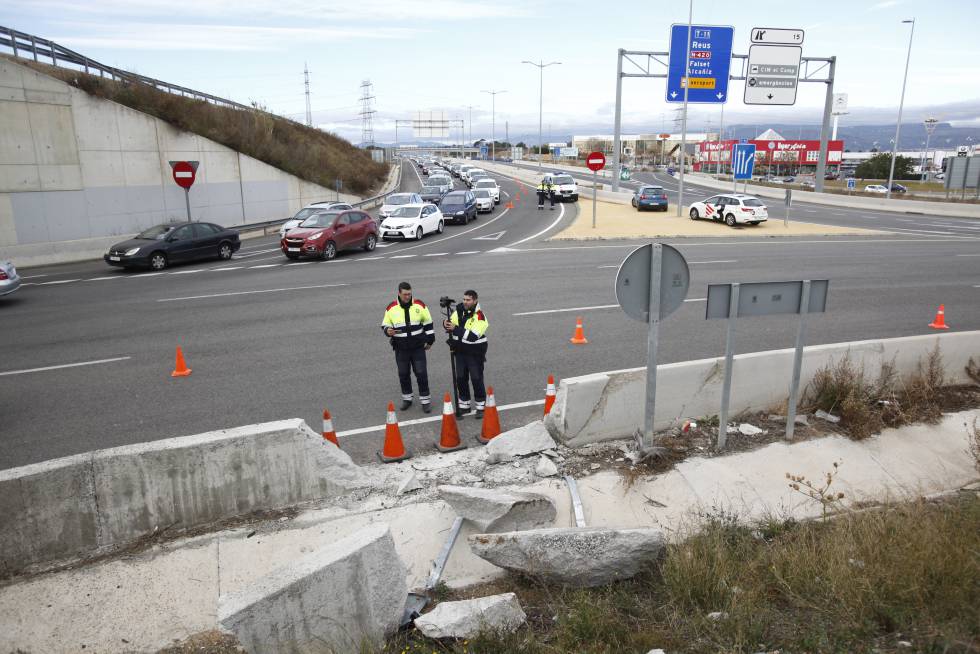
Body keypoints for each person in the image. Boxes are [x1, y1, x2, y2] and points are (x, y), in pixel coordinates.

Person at [381, 281, 435, 413]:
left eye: (409, 294)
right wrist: (387, 330)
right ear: (399, 293)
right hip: (401, 348)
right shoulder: (391, 307)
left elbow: (428, 323)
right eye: (405, 294)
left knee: (421, 373)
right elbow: (385, 324)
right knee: (403, 374)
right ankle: (407, 399)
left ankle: (425, 401)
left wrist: (430, 341)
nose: (407, 297)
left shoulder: (420, 305)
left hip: (417, 347)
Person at [443, 290, 488, 419]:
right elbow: (451, 324)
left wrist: (455, 329)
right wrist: (445, 324)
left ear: (475, 300)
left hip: (475, 351)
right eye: (464, 299)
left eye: (468, 300)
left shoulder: (480, 317)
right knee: (461, 378)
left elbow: (473, 336)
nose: (465, 302)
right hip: (460, 350)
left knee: (476, 378)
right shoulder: (459, 312)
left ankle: (481, 406)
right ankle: (464, 404)